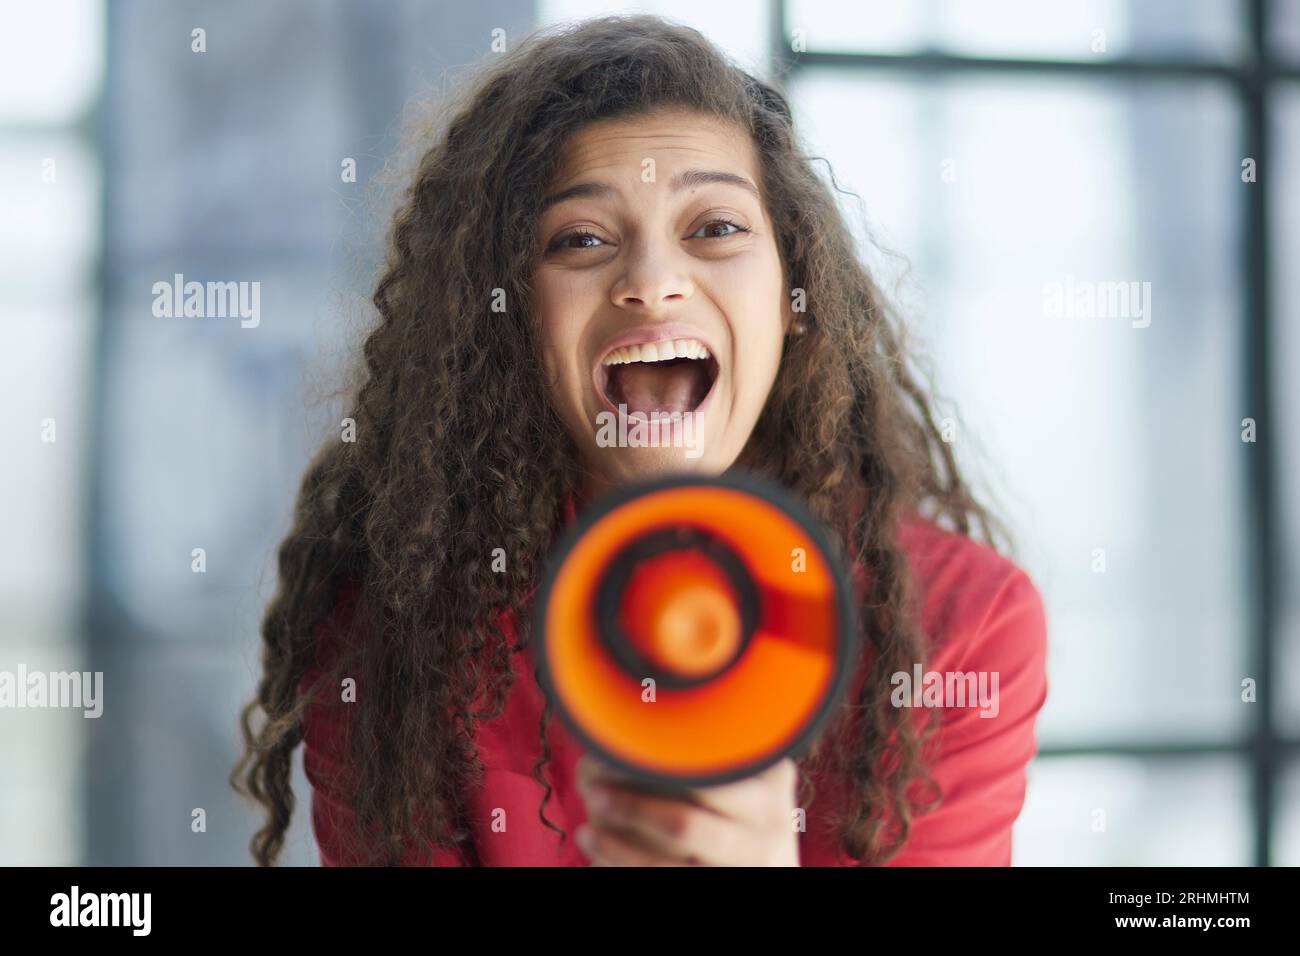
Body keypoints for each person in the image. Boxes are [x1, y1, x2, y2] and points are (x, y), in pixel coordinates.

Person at [232, 14, 1048, 867]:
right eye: (581, 239)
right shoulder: (394, 618)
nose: (653, 283)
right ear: (506, 319)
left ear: (790, 296)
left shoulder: (960, 624)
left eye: (716, 227)